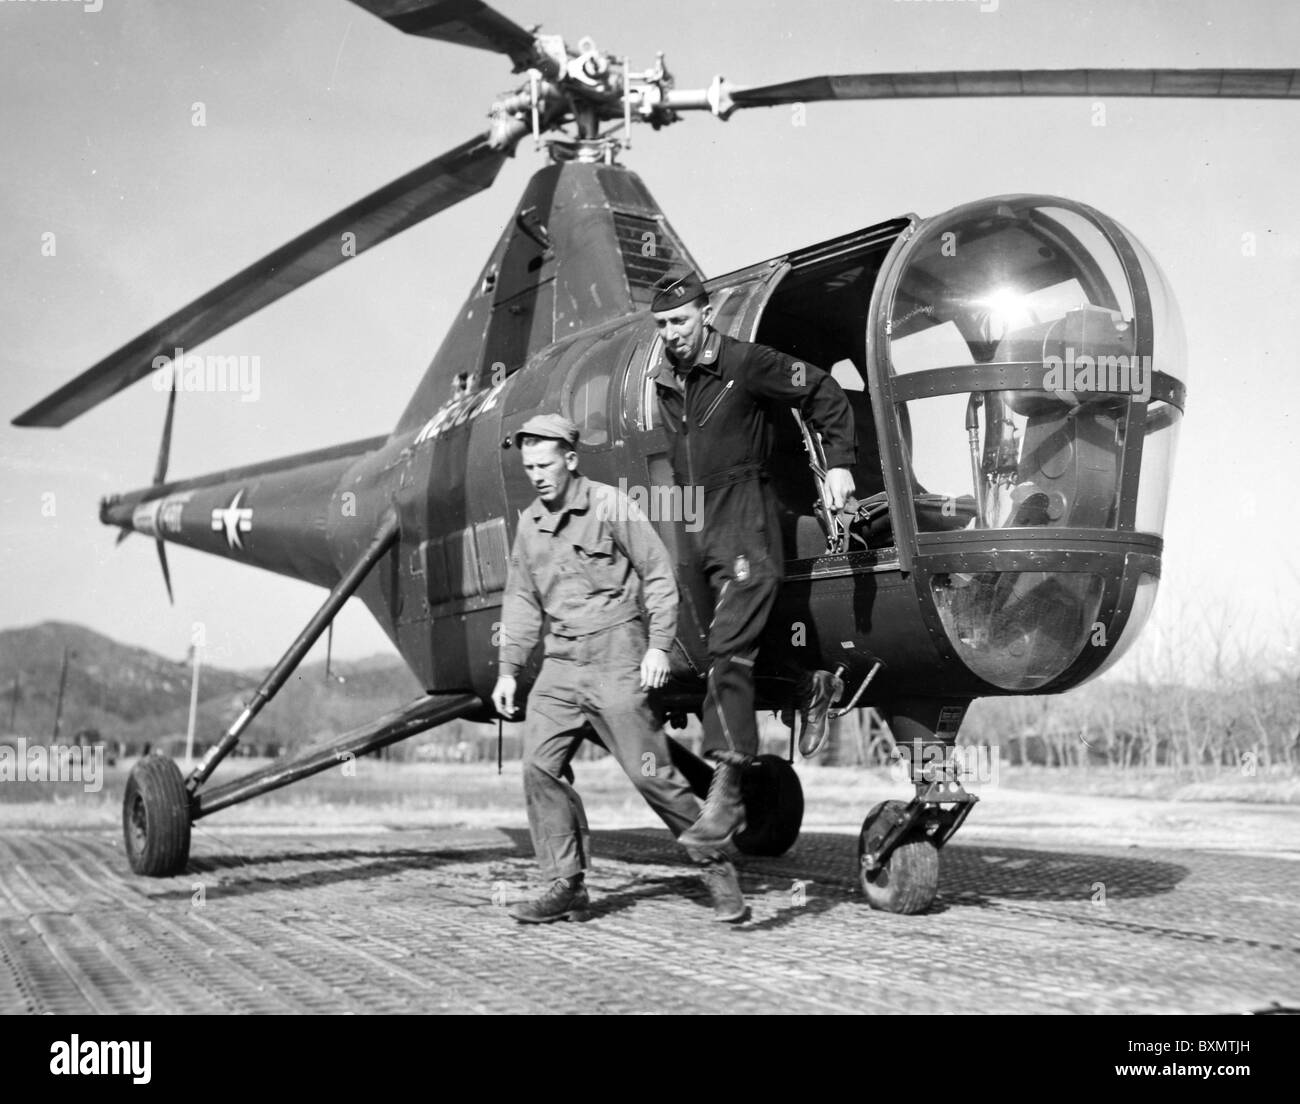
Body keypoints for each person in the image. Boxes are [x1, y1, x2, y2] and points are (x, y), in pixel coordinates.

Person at [492, 413, 747, 924]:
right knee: (538, 767)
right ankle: (565, 883)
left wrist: (657, 647)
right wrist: (508, 669)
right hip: (560, 663)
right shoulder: (530, 524)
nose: (537, 475)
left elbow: (657, 574)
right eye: (528, 467)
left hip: (615, 652)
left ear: (570, 459)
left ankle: (716, 866)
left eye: (545, 465)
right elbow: (521, 600)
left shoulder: (610, 504)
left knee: (650, 772)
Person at [649, 271, 857, 849]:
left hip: (745, 515)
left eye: (680, 320)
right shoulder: (669, 382)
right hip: (698, 526)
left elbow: (821, 389)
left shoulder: (744, 362)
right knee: (725, 645)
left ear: (705, 312)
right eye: (662, 325)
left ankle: (728, 792)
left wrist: (839, 461)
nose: (672, 333)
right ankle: (805, 686)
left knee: (727, 649)